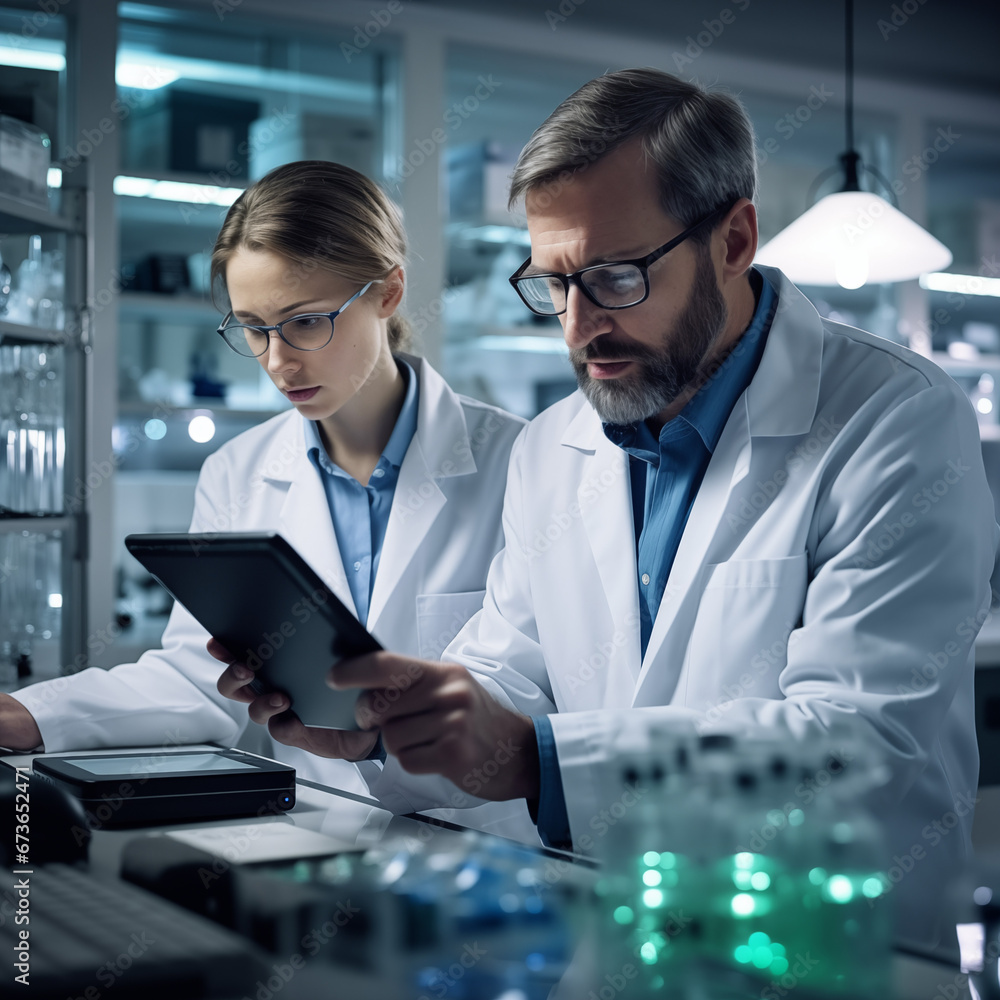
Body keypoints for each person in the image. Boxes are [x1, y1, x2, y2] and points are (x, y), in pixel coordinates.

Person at [216, 72, 998, 946]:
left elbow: (857, 745)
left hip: (837, 951)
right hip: (619, 939)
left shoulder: (893, 418)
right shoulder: (555, 445)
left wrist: (535, 760)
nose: (579, 326)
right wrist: (382, 730)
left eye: (616, 276)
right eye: (553, 283)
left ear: (733, 239)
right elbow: (512, 669)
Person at [0, 160, 532, 835]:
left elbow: (534, 690)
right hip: (316, 839)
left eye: (306, 322)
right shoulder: (238, 471)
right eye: (252, 327)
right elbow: (201, 680)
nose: (278, 361)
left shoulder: (522, 462)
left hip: (487, 854)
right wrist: (28, 715)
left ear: (389, 292)